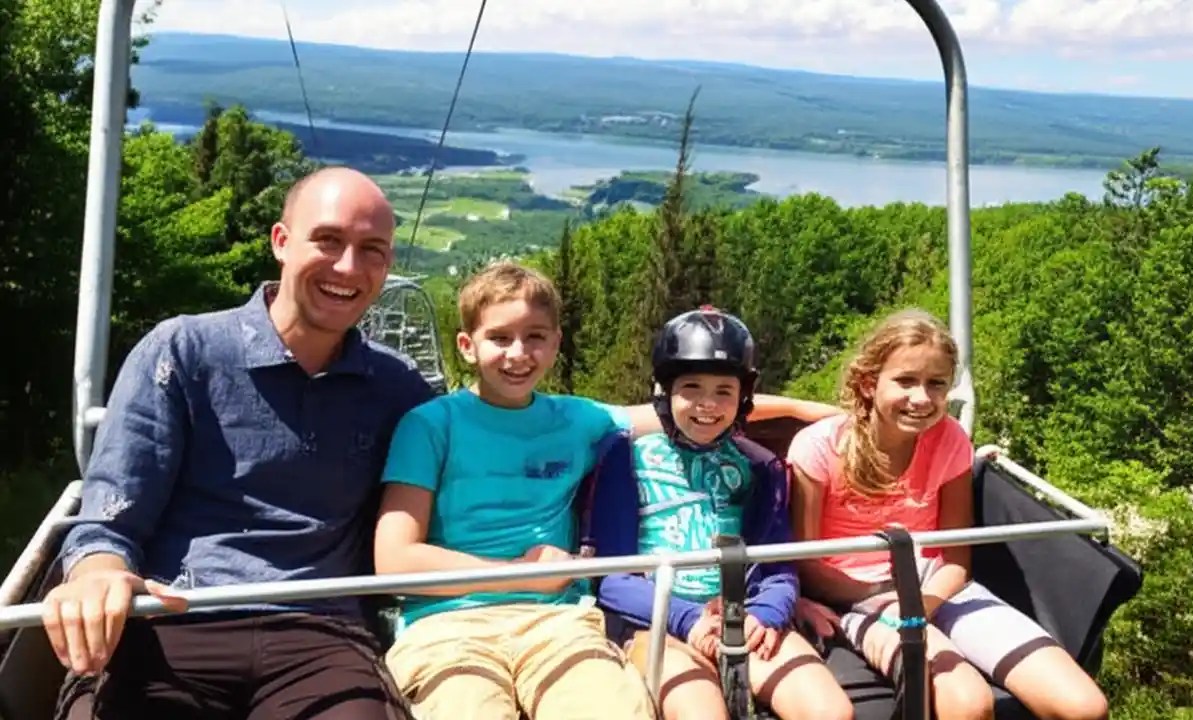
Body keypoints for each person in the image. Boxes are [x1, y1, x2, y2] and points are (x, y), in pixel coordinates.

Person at [41, 166, 432, 719]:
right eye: (328, 240)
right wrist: (97, 576)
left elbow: (459, 487)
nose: (348, 267)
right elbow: (111, 515)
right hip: (173, 616)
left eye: (372, 250)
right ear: (281, 242)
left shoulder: (398, 387)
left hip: (320, 634)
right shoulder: (184, 353)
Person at [372, 265, 840, 720]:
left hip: (558, 623)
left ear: (555, 343)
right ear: (467, 346)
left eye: (535, 337)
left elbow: (696, 407)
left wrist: (811, 411)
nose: (518, 353)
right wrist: (521, 574)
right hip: (449, 623)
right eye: (500, 338)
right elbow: (394, 560)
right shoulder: (430, 426)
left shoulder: (578, 420)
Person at [786, 309, 1110, 720]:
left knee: (1085, 707)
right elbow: (807, 562)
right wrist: (890, 599)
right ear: (869, 383)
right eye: (905, 381)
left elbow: (956, 555)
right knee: (968, 702)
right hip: (857, 593)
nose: (922, 398)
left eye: (936, 384)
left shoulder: (949, 440)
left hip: (937, 583)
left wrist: (924, 601)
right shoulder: (820, 448)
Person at [591, 307, 854, 720]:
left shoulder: (758, 467)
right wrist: (687, 619)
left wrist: (766, 613)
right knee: (702, 712)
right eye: (691, 388)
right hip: (653, 618)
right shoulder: (626, 459)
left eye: (724, 391)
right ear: (664, 392)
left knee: (829, 712)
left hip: (741, 611)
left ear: (743, 398)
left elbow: (778, 565)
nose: (708, 404)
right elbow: (610, 577)